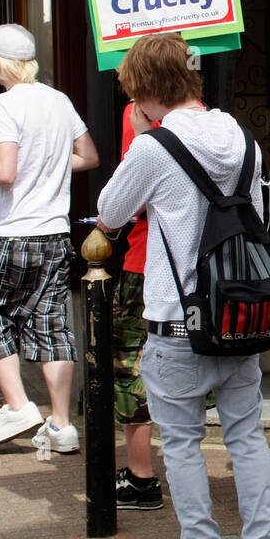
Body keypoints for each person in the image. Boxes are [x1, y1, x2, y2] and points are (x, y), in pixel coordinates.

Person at [96, 32, 270, 539]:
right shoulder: (242, 137)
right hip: (240, 316)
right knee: (247, 436)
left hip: (177, 321)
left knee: (184, 444)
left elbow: (110, 213)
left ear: (142, 91)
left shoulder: (152, 146)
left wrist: (142, 141)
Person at [0, 24, 99, 453]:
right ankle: (60, 425)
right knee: (52, 323)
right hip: (56, 232)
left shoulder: (3, 104)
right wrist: (48, 168)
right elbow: (88, 156)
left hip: (14, 230)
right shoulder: (59, 99)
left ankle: (18, 406)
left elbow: (5, 173)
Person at [109, 100, 163, 511]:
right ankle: (261, 481)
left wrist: (140, 137)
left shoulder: (138, 114)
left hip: (146, 264)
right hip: (203, 271)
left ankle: (142, 479)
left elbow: (121, 207)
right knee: (225, 371)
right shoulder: (220, 125)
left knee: (130, 366)